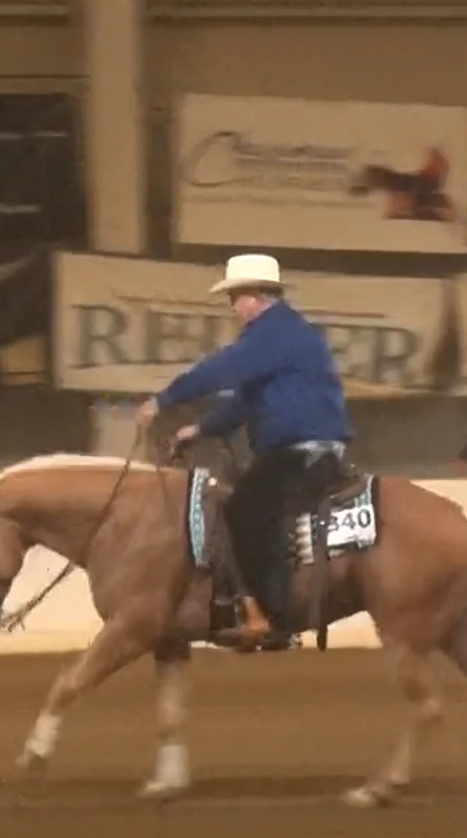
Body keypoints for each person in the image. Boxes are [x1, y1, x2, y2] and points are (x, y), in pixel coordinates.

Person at [135, 253, 351, 645]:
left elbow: (221, 369)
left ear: (253, 295)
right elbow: (245, 402)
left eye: (235, 298)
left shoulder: (272, 334)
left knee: (242, 511)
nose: (233, 308)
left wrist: (163, 401)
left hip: (301, 450)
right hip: (308, 446)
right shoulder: (285, 335)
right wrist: (199, 429)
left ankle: (273, 617)